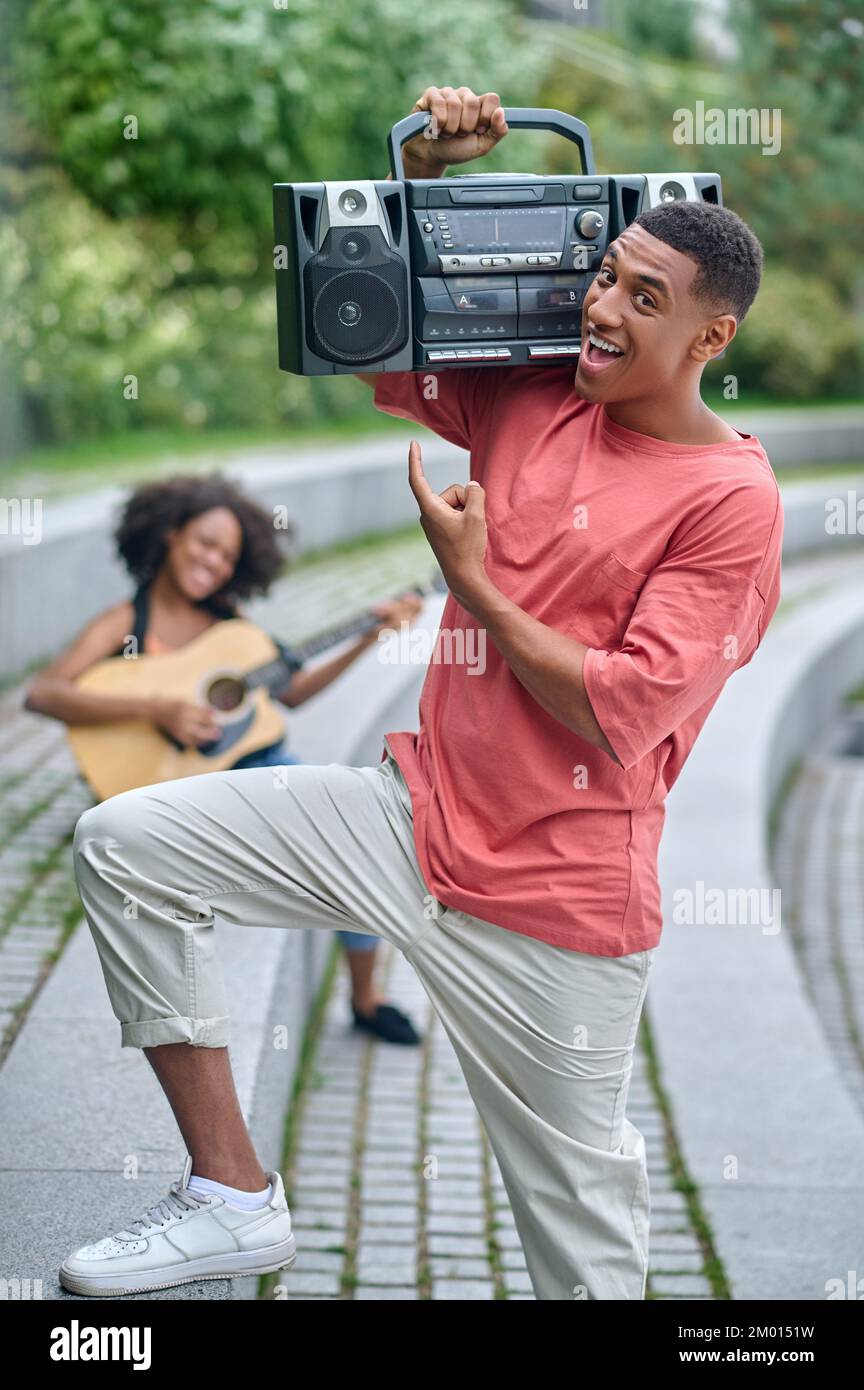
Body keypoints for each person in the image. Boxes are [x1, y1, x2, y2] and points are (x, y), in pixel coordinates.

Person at [59, 85, 783, 1300]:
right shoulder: (538, 386)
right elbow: (373, 335)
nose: (601, 308)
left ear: (711, 341)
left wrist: (477, 587)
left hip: (560, 906)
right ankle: (231, 1196)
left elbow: (622, 708)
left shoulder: (735, 505)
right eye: (608, 276)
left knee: (584, 1268)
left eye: (644, 301)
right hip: (413, 822)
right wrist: (431, 177)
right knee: (124, 846)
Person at [24, 472, 425, 1046]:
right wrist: (155, 709)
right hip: (177, 781)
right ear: (169, 534)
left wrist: (370, 636)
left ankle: (366, 999)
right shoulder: (124, 622)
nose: (213, 562)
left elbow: (292, 692)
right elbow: (43, 694)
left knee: (346, 844)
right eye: (205, 543)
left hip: (259, 769)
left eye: (227, 555)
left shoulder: (231, 629)